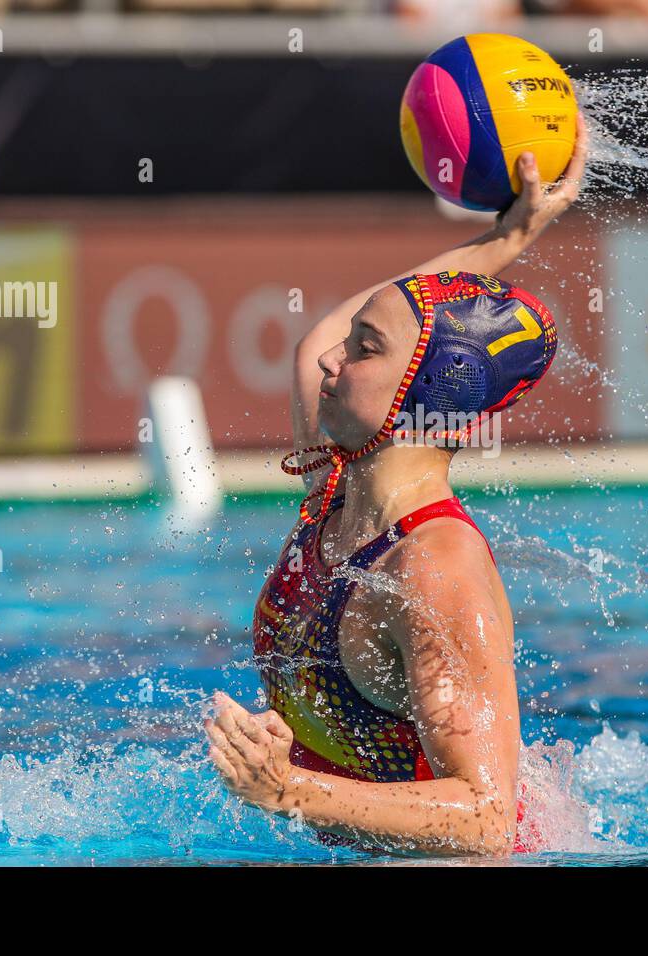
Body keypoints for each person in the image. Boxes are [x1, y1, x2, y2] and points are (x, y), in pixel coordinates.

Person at [204, 115, 587, 856]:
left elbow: (484, 821)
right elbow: (318, 339)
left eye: (364, 350)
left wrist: (288, 791)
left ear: (427, 391)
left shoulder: (433, 570)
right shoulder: (335, 489)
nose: (330, 360)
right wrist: (506, 239)